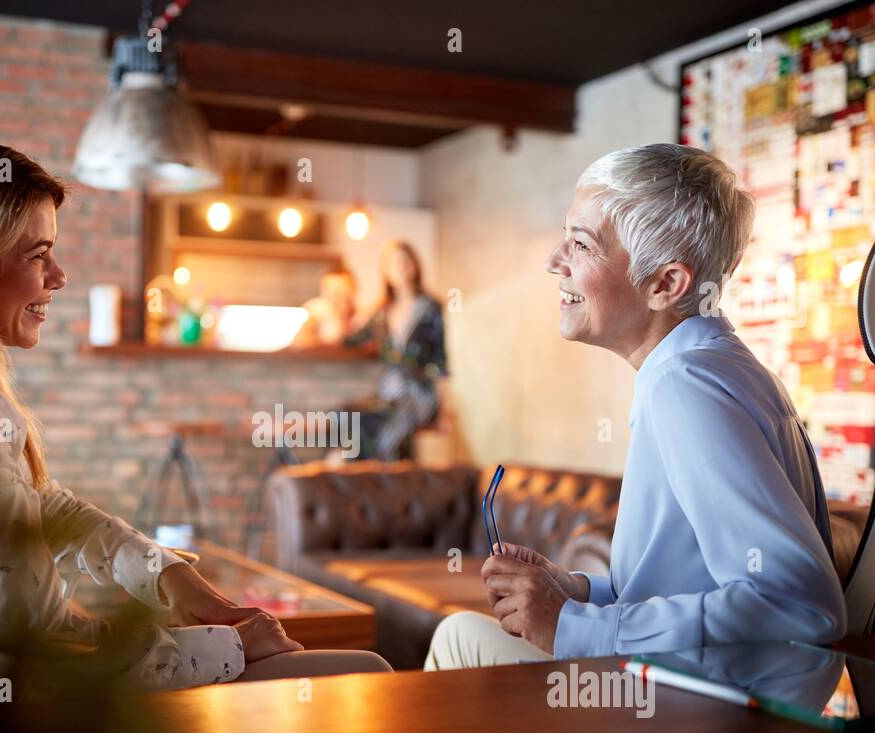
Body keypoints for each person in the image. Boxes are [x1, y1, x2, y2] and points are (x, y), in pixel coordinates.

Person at [0, 127, 391, 689]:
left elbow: (38, 507)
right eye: (36, 255)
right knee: (364, 672)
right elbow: (39, 645)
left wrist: (162, 572)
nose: (59, 275)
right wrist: (226, 648)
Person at [426, 144, 846, 670]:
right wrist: (577, 592)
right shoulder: (717, 368)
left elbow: (798, 602)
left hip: (695, 718)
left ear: (665, 285)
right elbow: (690, 585)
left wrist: (572, 625)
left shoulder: (685, 384)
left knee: (459, 637)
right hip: (690, 691)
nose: (553, 261)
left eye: (580, 244)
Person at [345, 240, 447, 460]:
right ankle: (368, 470)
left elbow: (440, 362)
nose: (400, 265)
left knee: (391, 424)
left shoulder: (430, 308)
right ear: (385, 271)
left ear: (415, 265)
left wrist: (444, 412)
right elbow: (350, 339)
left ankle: (377, 472)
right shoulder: (380, 313)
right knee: (364, 418)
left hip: (419, 395)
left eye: (404, 260)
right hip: (388, 394)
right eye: (393, 262)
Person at [292, 268, 359, 348]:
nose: (335, 293)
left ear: (353, 288)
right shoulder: (317, 311)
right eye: (329, 288)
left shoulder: (362, 315)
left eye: (341, 288)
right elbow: (300, 341)